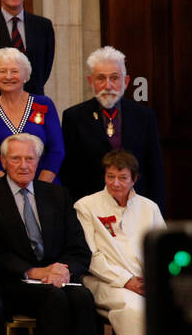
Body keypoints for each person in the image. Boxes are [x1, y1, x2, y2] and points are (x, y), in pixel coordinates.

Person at [0, 134, 96, 335]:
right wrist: (33, 272)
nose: (24, 165)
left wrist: (64, 270)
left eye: (30, 158)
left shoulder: (57, 195)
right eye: (16, 158)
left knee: (83, 297)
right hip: (12, 282)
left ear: (38, 161)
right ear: (3, 161)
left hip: (57, 279)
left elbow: (79, 248)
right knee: (54, 298)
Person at [74, 150, 164, 335]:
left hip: (145, 282)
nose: (115, 183)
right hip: (105, 281)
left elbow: (160, 250)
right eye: (110, 176)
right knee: (134, 309)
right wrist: (126, 280)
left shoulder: (149, 207)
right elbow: (89, 255)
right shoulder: (86, 205)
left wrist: (152, 280)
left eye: (122, 177)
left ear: (134, 179)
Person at [61, 46, 165, 212]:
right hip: (91, 208)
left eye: (114, 78)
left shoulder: (145, 116)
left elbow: (155, 169)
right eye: (101, 78)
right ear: (90, 81)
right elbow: (69, 173)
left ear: (126, 81)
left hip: (136, 205)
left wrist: (157, 211)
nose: (108, 85)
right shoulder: (74, 117)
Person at [0, 47, 64, 181]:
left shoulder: (44, 104)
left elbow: (57, 150)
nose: (8, 76)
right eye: (2, 71)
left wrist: (40, 186)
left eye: (15, 71)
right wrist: (9, 187)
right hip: (2, 190)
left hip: (45, 185)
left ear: (26, 76)